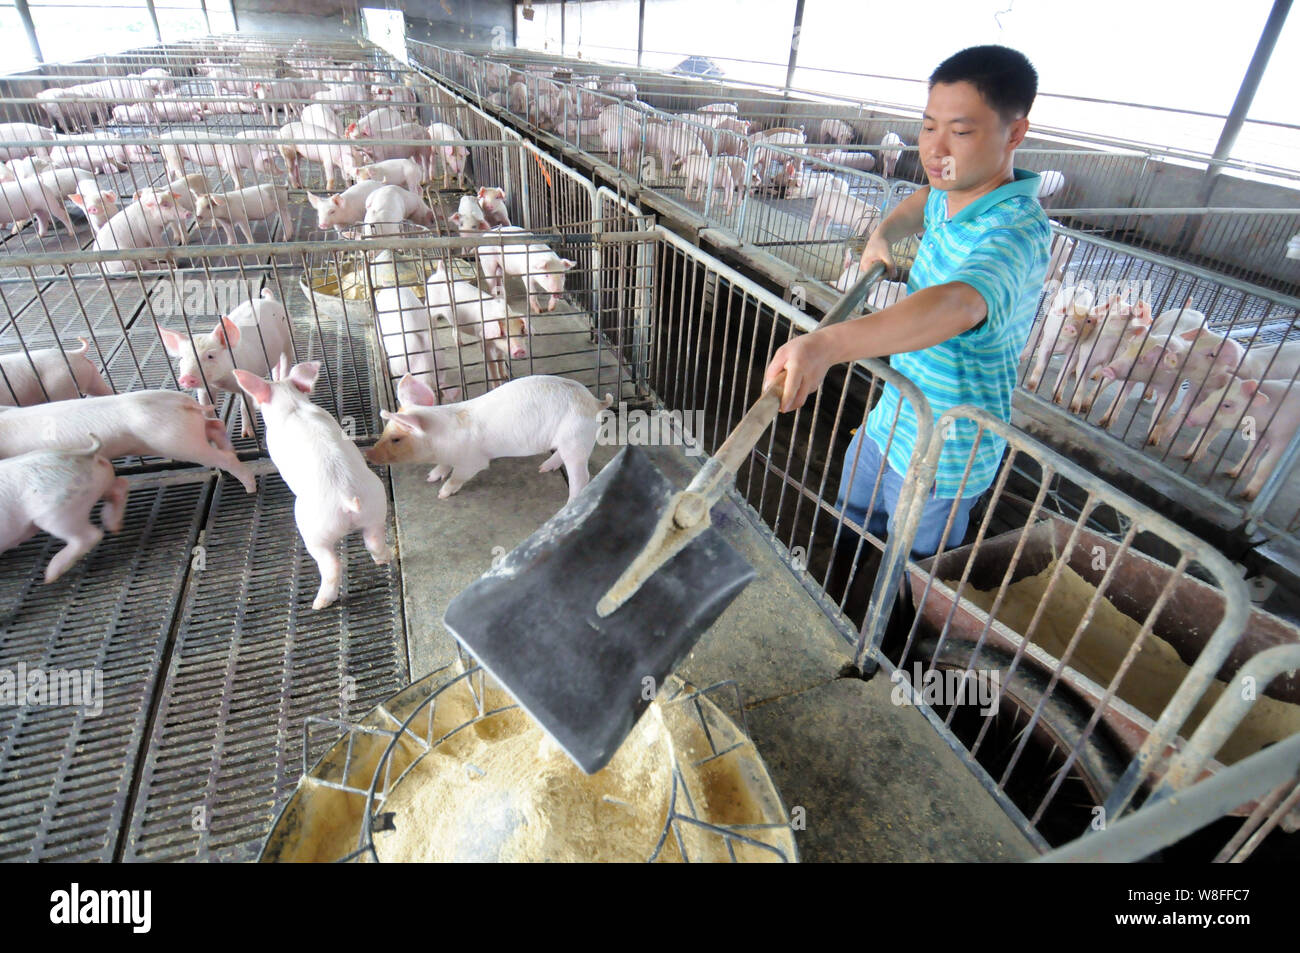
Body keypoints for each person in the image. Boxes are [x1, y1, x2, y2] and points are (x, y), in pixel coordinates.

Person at [763, 44, 1051, 559]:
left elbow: (958, 304)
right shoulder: (951, 193)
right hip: (889, 418)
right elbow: (924, 201)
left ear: (1014, 133)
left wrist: (828, 344)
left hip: (945, 451)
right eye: (928, 126)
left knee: (909, 567)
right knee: (848, 522)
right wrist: (883, 233)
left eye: (960, 132)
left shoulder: (1016, 232)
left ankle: (885, 636)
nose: (936, 148)